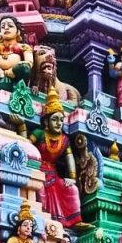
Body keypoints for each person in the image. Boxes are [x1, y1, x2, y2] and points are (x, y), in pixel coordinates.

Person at [30, 88, 82, 226]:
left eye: (61, 120)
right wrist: (22, 128)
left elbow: (69, 158)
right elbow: (26, 146)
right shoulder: (39, 133)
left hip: (54, 174)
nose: (59, 123)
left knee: (72, 189)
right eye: (55, 119)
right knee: (39, 190)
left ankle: (75, 221)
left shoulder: (64, 139)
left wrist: (71, 177)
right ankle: (42, 217)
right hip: (38, 171)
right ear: (46, 122)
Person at [0, 15, 33, 84]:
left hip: (15, 74)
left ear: (18, 32)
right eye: (2, 27)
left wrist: (9, 72)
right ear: (0, 32)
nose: (6, 28)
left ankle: (21, 85)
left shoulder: (23, 46)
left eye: (10, 26)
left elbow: (29, 62)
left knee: (24, 67)